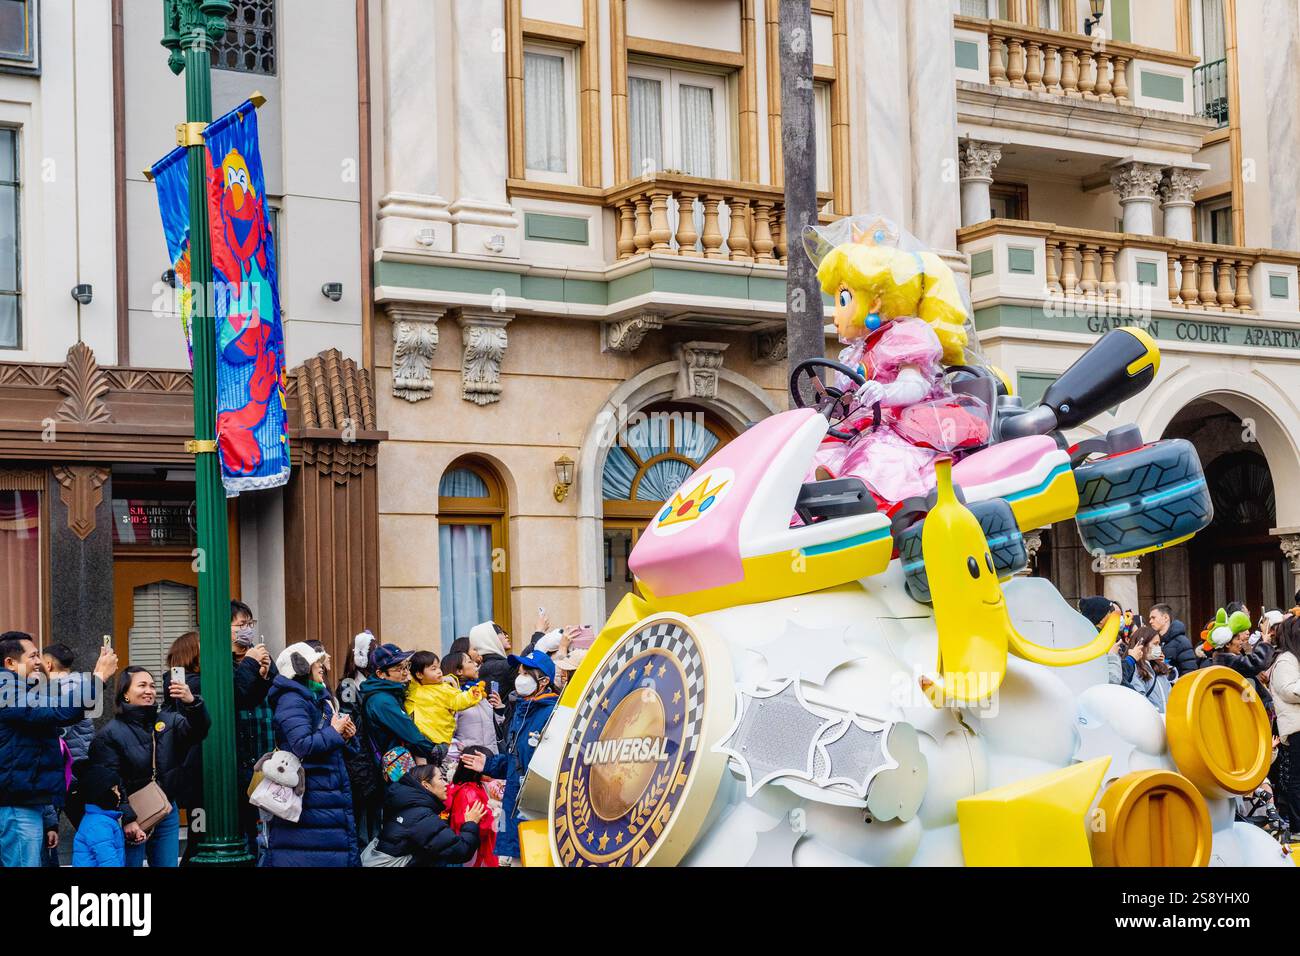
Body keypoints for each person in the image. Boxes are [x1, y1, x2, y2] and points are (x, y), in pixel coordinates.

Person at [0, 631, 116, 868]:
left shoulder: (21, 690)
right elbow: (60, 710)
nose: (39, 662)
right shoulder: (6, 691)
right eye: (33, 656)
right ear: (10, 663)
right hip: (15, 804)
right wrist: (99, 677)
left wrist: (49, 819)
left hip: (24, 801)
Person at [87, 665, 210, 868]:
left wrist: (192, 702)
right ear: (125, 694)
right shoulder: (110, 734)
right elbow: (110, 782)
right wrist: (128, 818)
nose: (149, 691)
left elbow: (199, 730)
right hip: (131, 815)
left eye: (152, 686)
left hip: (166, 809)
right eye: (142, 685)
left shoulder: (169, 721)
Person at [461, 647, 559, 864]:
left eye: (526, 673)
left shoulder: (553, 714)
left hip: (538, 810)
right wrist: (489, 764)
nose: (520, 678)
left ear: (544, 681)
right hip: (514, 806)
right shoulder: (521, 710)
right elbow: (516, 759)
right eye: (520, 672)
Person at [264, 642, 359, 867]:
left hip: (325, 791)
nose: (321, 667)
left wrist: (346, 736)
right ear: (302, 667)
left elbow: (327, 740)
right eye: (316, 662)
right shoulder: (292, 699)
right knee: (309, 854)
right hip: (310, 794)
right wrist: (335, 732)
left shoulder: (316, 697)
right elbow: (302, 745)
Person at [370, 764, 484, 867]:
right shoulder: (421, 816)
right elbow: (461, 851)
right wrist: (471, 823)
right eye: (441, 779)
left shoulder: (406, 803)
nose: (446, 784)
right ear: (426, 785)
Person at [230, 600, 277, 855]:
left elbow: (270, 697)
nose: (247, 629)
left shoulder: (261, 657)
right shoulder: (219, 661)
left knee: (264, 832)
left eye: (250, 623)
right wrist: (249, 663)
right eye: (241, 624)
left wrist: (266, 674)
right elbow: (236, 697)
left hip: (263, 754)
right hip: (236, 758)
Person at [358, 643, 441, 780]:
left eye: (405, 666)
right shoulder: (382, 700)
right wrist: (434, 749)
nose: (405, 672)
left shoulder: (390, 692)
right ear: (380, 674)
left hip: (398, 764)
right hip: (393, 770)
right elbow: (409, 732)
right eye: (399, 669)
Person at [335, 630, 383, 847]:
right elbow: (351, 728)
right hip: (361, 762)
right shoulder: (349, 685)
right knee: (363, 824)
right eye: (373, 653)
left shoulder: (375, 683)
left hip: (374, 760)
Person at [162, 631, 205, 863]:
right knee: (200, 835)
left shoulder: (179, 685)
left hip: (191, 771)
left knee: (198, 834)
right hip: (198, 771)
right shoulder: (193, 685)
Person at [404, 650, 484, 757]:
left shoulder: (444, 688)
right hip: (419, 739)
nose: (439, 671)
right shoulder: (413, 688)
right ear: (419, 674)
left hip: (438, 740)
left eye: (438, 667)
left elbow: (458, 700)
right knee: (420, 763)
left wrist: (471, 695)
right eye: (433, 669)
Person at [40, 643, 96, 772]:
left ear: (48, 664)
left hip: (73, 759)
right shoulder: (80, 683)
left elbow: (62, 727)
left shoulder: (65, 688)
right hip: (81, 753)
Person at [1270, 614, 1300, 830]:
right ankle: (1298, 826)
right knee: (1296, 779)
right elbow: (1289, 690)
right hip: (1296, 727)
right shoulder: (1285, 660)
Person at [444, 650, 504, 758]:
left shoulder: (479, 692)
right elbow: (448, 733)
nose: (476, 664)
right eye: (470, 661)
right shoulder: (454, 697)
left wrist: (498, 709)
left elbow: (492, 727)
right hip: (467, 759)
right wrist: (460, 752)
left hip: (490, 757)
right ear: (459, 671)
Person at [448, 744, 497, 867]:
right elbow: (483, 826)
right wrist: (497, 812)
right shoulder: (469, 793)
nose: (493, 769)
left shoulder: (470, 786)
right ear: (474, 769)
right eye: (488, 765)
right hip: (475, 848)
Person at [71, 764, 125, 868]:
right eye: (114, 790)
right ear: (101, 794)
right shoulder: (99, 824)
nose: (119, 794)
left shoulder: (101, 819)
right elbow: (108, 860)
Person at [1120, 626, 1172, 712]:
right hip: (1150, 718)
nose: (1159, 648)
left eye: (1159, 644)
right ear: (1142, 645)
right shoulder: (1135, 669)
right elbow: (1140, 699)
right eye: (1155, 644)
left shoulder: (1158, 668)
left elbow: (1170, 694)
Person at [1149, 603, 1195, 680]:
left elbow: (1190, 672)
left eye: (1153, 618)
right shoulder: (1156, 642)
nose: (1150, 621)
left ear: (1166, 618)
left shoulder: (1181, 642)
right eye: (1150, 618)